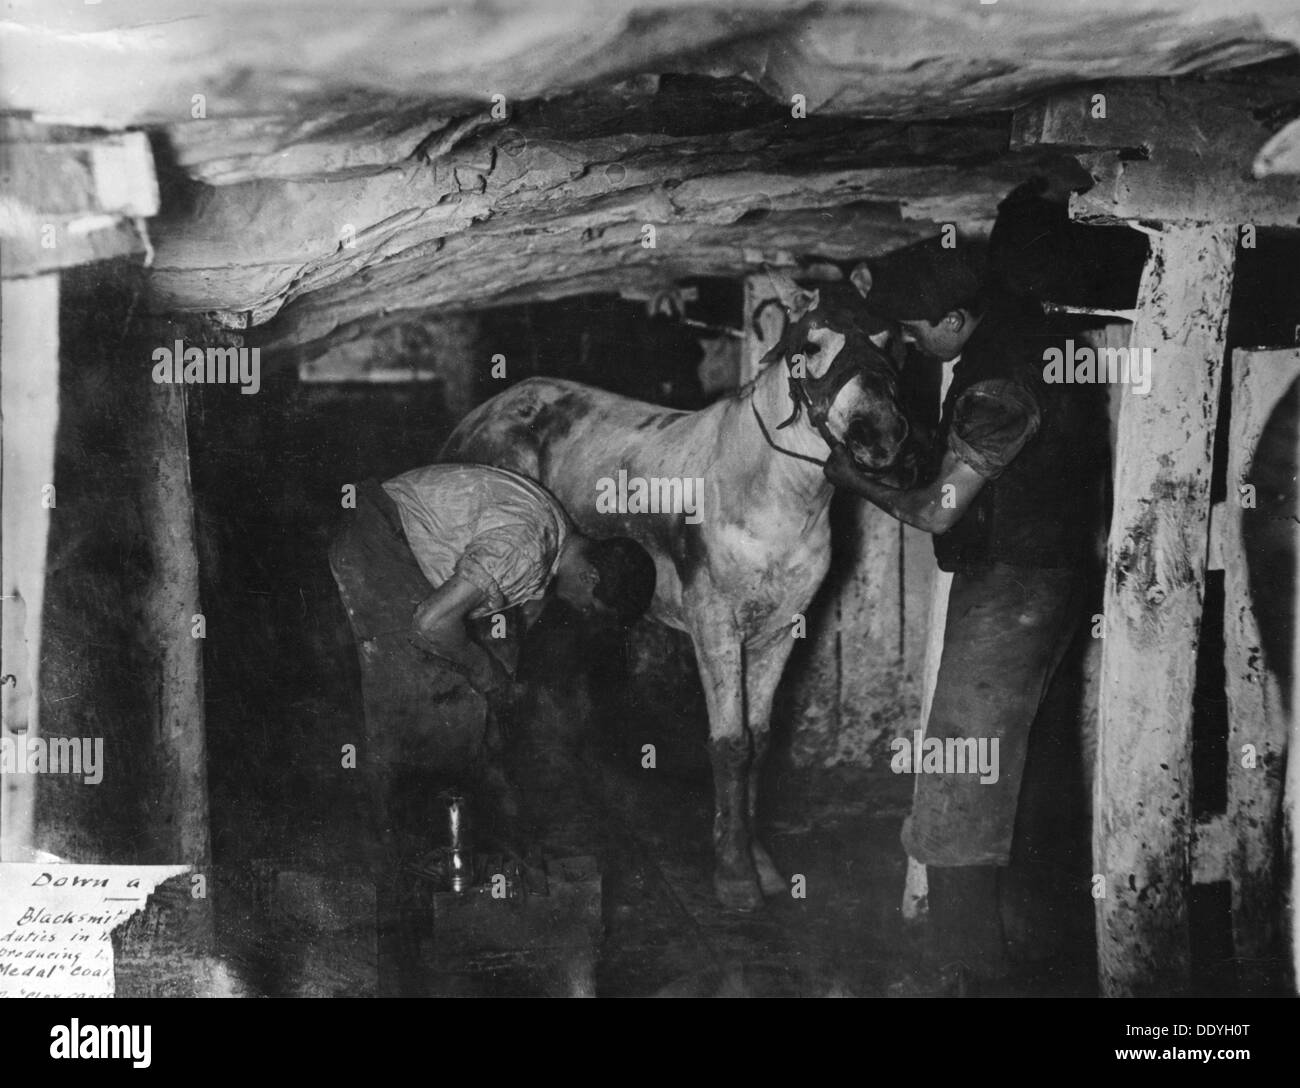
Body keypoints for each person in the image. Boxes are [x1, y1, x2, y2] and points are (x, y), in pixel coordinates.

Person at [825, 182, 1108, 992]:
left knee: (960, 766)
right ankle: (1005, 945)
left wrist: (858, 480)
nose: (911, 344)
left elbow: (939, 510)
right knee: (1003, 762)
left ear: (955, 321)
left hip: (1016, 588)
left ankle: (965, 969)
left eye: (917, 331)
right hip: (1030, 573)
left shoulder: (995, 384)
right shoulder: (1017, 340)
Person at [328, 462, 657, 863]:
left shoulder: (557, 533)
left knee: (465, 693)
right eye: (592, 609)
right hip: (379, 538)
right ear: (589, 578)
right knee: (423, 703)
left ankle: (446, 841)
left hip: (401, 536)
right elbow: (431, 625)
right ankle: (395, 857)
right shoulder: (525, 545)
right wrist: (489, 678)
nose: (584, 614)